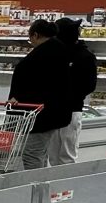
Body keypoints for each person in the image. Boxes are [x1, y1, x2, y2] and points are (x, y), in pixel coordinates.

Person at [8, 17, 97, 169]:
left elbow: (42, 86)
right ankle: (47, 186)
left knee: (39, 155)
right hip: (58, 112)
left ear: (35, 35)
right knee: (49, 155)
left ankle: (42, 188)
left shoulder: (52, 54)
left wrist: (19, 97)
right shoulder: (60, 52)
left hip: (47, 113)